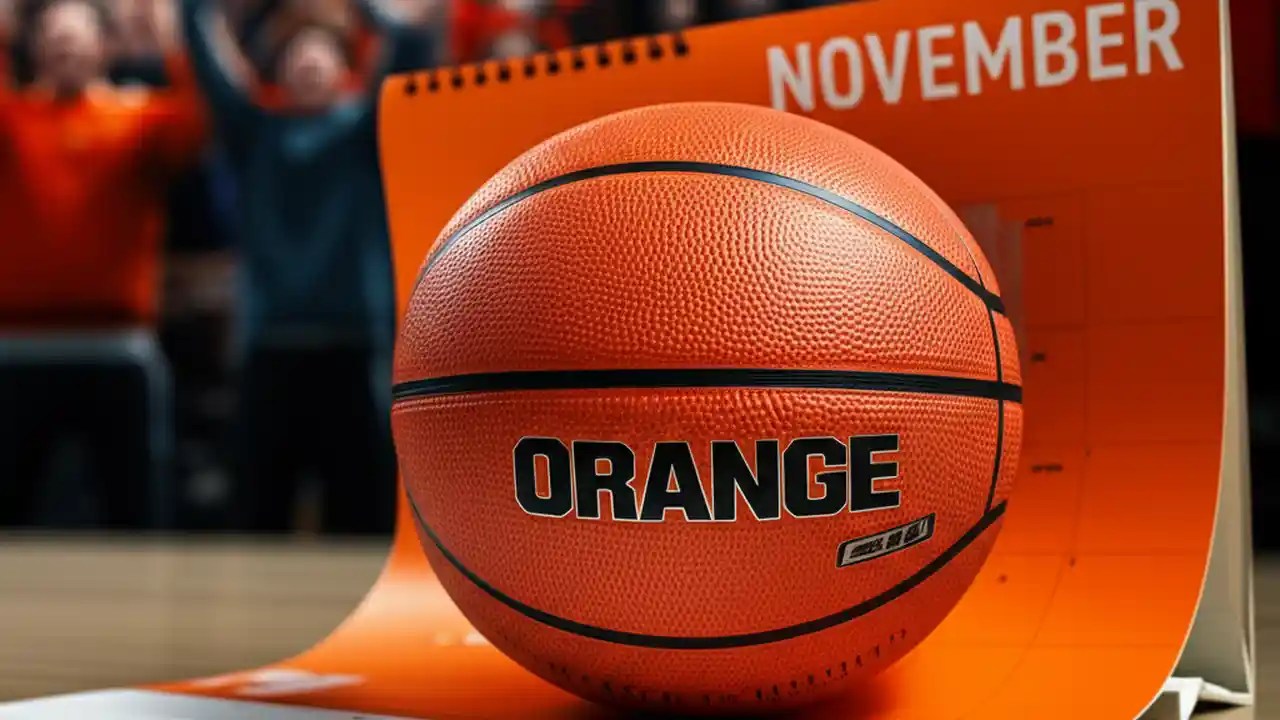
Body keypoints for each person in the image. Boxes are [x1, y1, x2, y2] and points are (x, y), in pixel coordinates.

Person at [179, 0, 438, 535]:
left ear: (346, 68)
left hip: (351, 348)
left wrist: (372, 10)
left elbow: (410, 51)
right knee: (259, 515)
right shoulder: (253, 134)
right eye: (297, 53)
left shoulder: (366, 133)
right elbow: (202, 47)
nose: (309, 62)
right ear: (277, 69)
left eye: (321, 52)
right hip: (270, 347)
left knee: (361, 516)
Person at [0, 0, 206, 528]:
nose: (65, 45)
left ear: (105, 47)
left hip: (119, 354)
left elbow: (200, 121)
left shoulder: (137, 117)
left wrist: (168, 43)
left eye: (76, 35)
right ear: (35, 47)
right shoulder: (14, 120)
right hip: (17, 355)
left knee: (133, 515)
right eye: (54, 36)